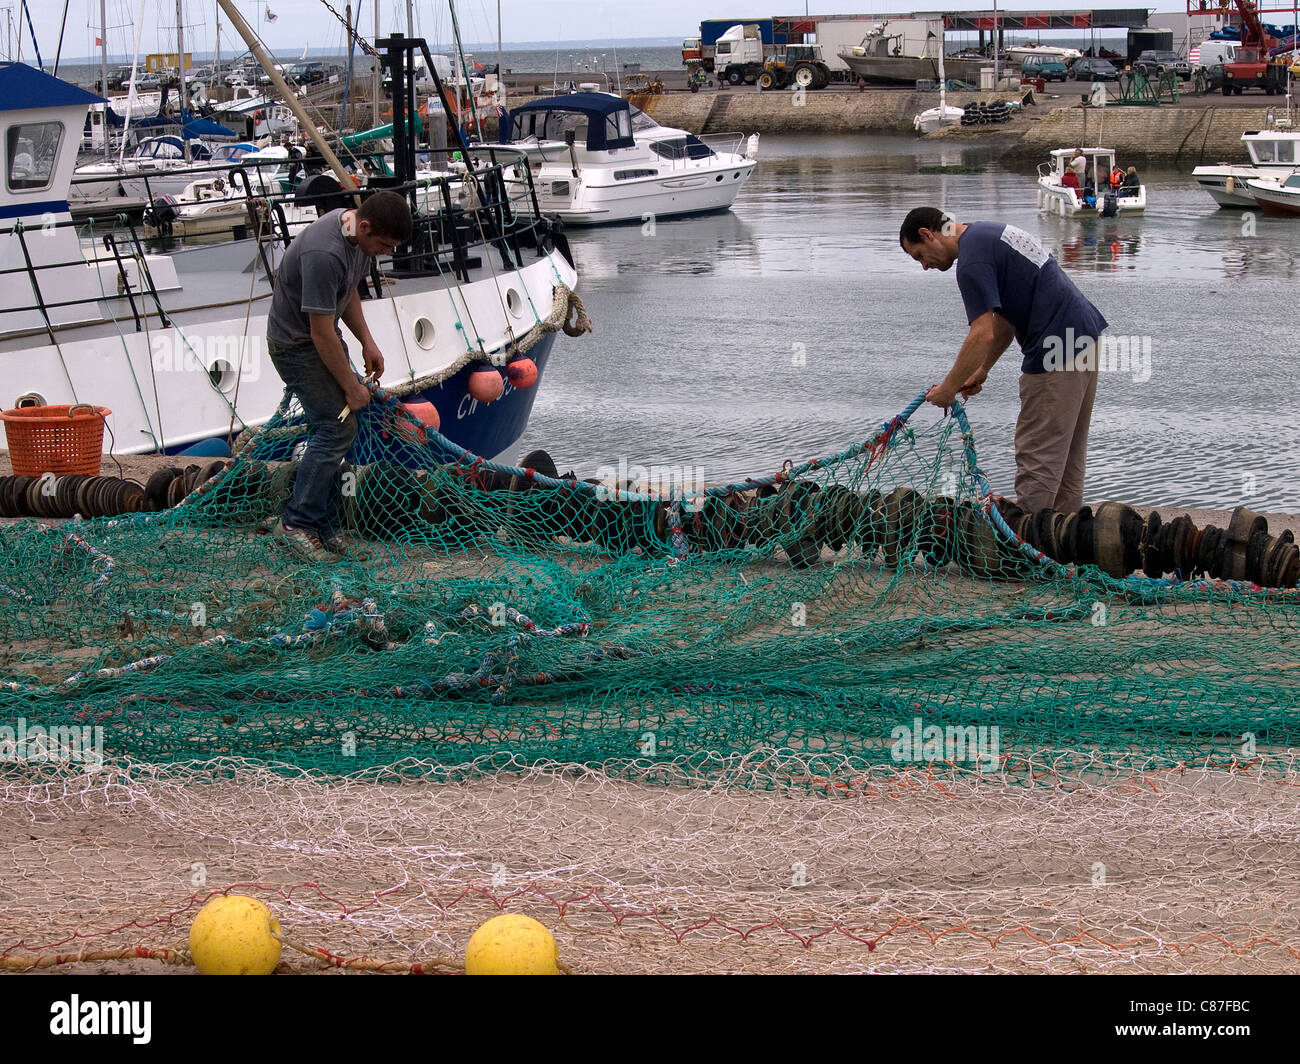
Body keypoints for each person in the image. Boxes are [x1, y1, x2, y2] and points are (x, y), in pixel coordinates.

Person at [898, 207, 1109, 515]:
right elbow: (1005, 324)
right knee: (1067, 458)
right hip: (1085, 337)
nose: (925, 267)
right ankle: (1062, 546)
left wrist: (947, 389)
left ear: (927, 235)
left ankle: (1028, 551)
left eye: (919, 256)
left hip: (1055, 352)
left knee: (1038, 455)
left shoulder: (971, 262)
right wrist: (982, 370)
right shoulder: (987, 232)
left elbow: (981, 334)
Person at [266, 190, 413, 560]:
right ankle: (296, 524)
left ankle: (322, 523)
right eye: (384, 245)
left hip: (320, 338)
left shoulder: (357, 242)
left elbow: (346, 294)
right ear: (363, 226)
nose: (386, 253)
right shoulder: (325, 252)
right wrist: (350, 386)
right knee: (336, 427)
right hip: (295, 345)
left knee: (337, 429)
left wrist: (368, 342)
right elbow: (319, 332)